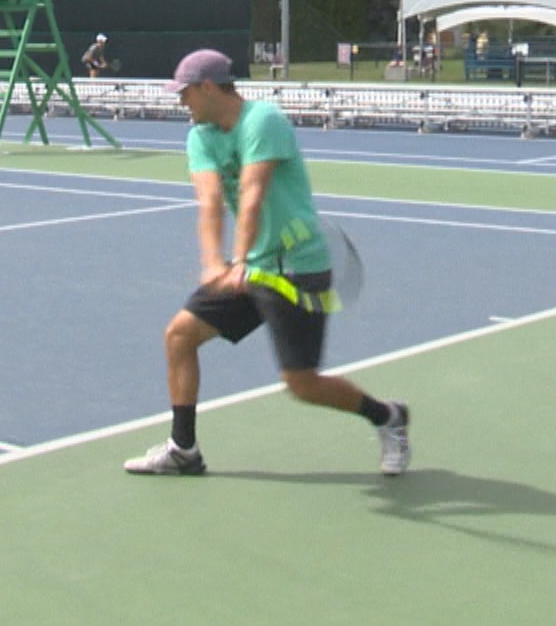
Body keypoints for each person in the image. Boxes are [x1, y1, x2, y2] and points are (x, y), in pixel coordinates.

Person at [124, 48, 410, 478]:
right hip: (250, 267)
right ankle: (183, 450)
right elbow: (210, 201)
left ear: (208, 87)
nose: (181, 101)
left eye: (185, 93)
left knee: (302, 383)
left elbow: (253, 193)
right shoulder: (200, 136)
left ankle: (388, 417)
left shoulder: (264, 121)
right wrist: (213, 263)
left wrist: (239, 260)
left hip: (296, 268)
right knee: (179, 336)